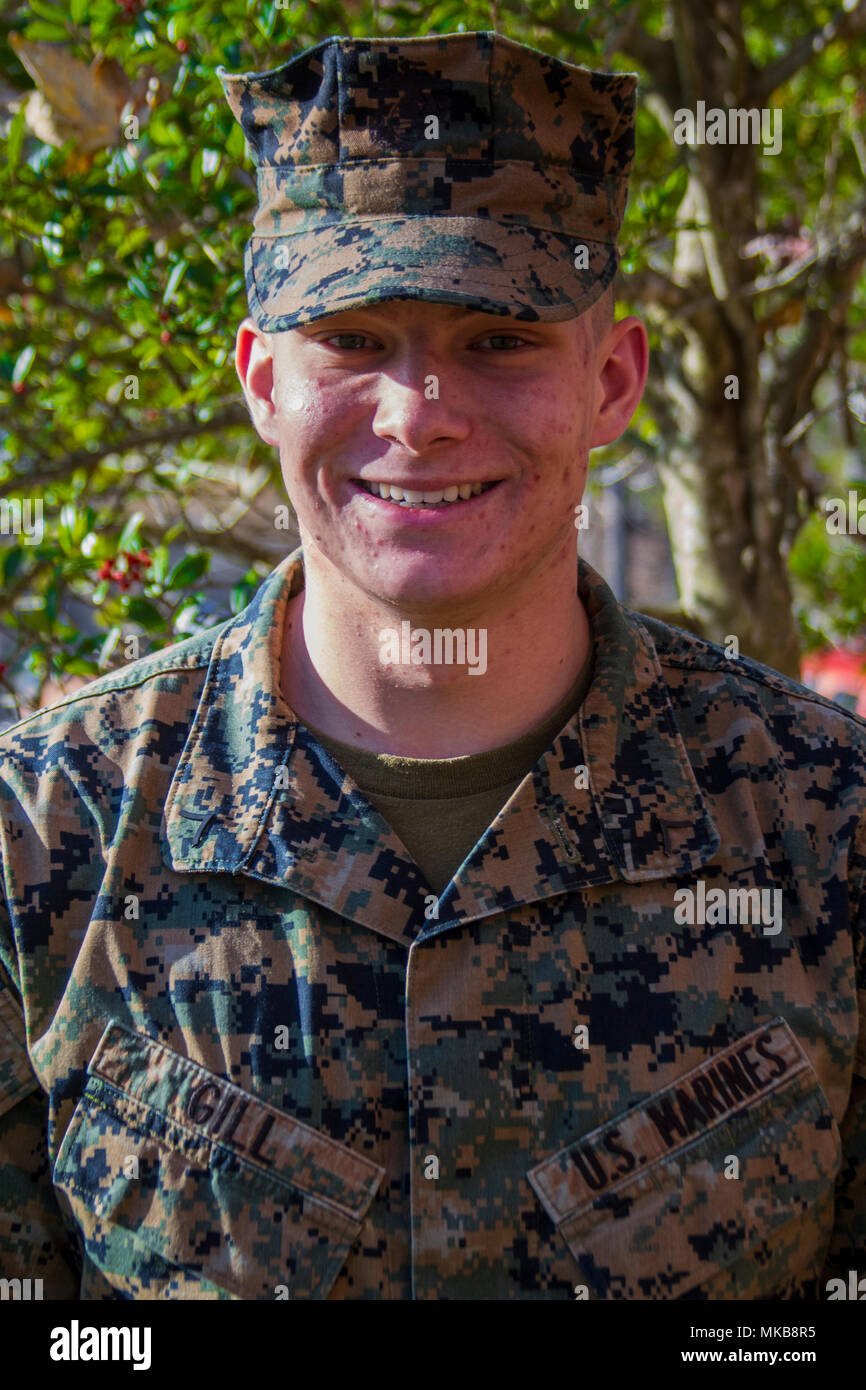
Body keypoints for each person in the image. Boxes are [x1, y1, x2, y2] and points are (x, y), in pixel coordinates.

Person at [0, 29, 863, 1301]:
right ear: (261, 381)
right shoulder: (47, 836)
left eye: (499, 339)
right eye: (352, 340)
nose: (418, 415)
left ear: (612, 381)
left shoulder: (824, 823)